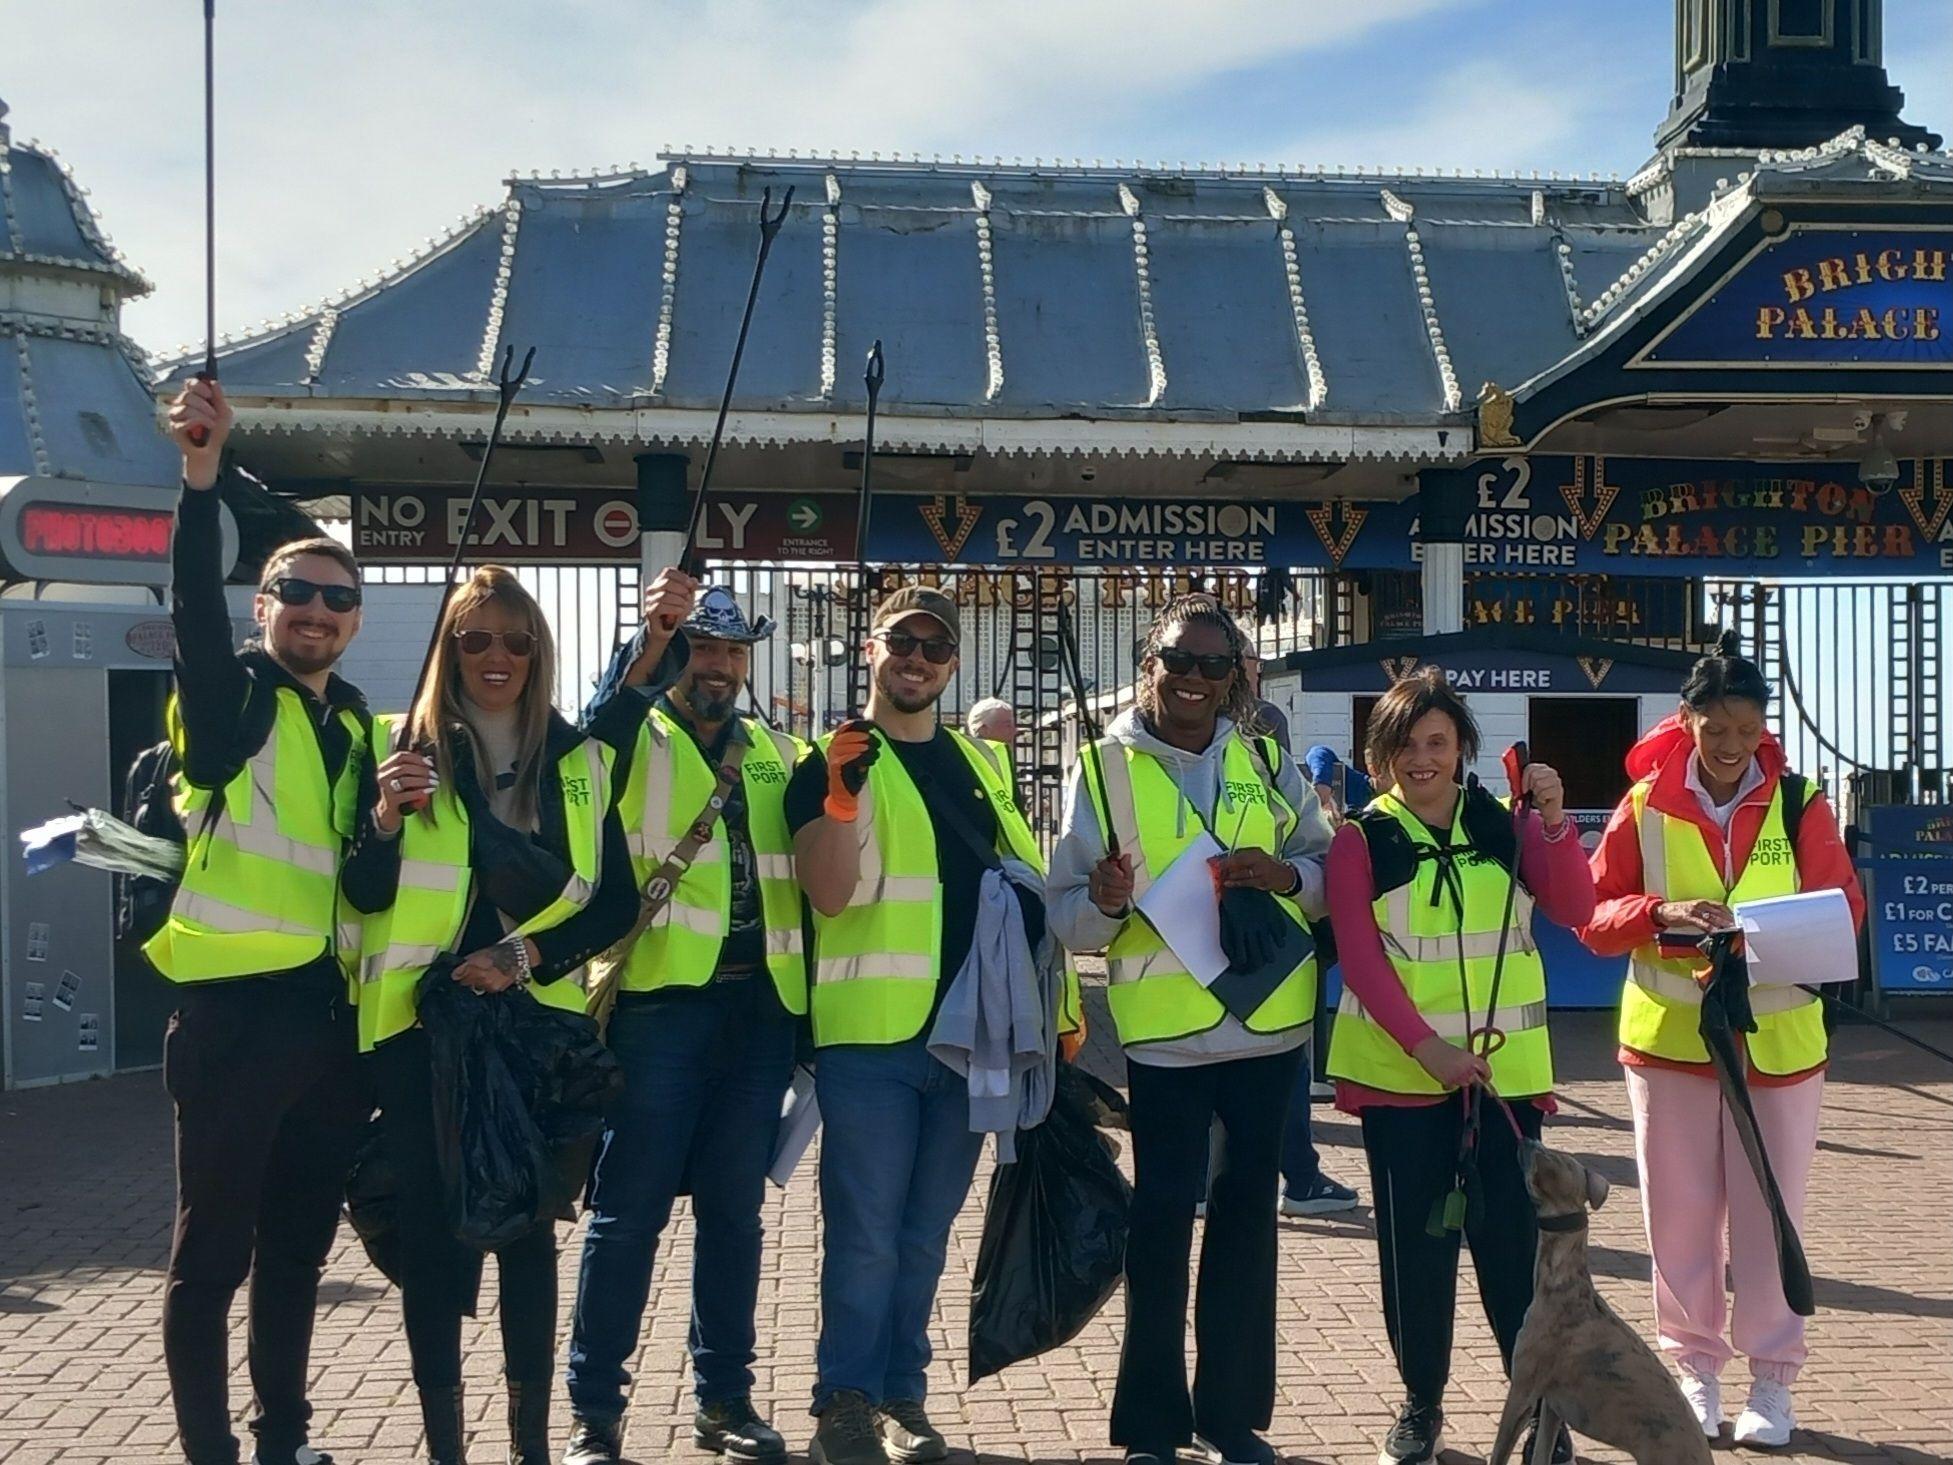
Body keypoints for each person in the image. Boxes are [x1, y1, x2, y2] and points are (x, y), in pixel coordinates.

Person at [341, 567, 636, 1465]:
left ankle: (531, 1448)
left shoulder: (579, 759)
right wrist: (386, 818)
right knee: (432, 1238)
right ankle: (445, 1449)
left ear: (540, 653)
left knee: (527, 1241)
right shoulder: (400, 746)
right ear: (449, 649)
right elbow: (356, 891)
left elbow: (613, 903)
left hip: (530, 1032)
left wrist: (518, 958)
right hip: (416, 1030)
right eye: (475, 638)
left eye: (516, 639)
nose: (497, 655)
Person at [787, 586, 1076, 1465]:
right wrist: (839, 797)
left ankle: (902, 1395)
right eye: (900, 641)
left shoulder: (980, 766)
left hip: (970, 1039)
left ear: (950, 665)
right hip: (869, 1036)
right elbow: (828, 895)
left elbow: (1028, 892)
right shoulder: (832, 758)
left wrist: (1059, 1017)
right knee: (866, 1230)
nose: (915, 658)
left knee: (922, 1234)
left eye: (933, 647)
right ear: (870, 649)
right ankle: (844, 1398)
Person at [1049, 594, 1333, 1465]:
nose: (1195, 679)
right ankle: (1151, 1426)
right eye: (1179, 659)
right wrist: (1098, 904)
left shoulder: (1266, 758)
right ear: (1151, 664)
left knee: (1247, 1225)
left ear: (1237, 675)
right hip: (1165, 1039)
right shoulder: (1101, 768)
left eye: (1215, 664)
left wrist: (1283, 876)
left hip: (1267, 1032)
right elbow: (1066, 916)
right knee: (1161, 1224)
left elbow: (1326, 870)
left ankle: (1232, 1416)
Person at [153, 379, 375, 1465]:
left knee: (295, 1251)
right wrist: (203, 484)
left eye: (339, 599)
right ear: (262, 602)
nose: (318, 612)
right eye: (298, 591)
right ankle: (213, 1458)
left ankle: (282, 1439)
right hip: (233, 1020)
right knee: (212, 1261)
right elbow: (191, 610)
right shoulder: (229, 697)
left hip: (326, 1022)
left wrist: (385, 822)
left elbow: (361, 881)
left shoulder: (354, 722)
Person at [1577, 633, 1863, 1449]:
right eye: (1714, 730)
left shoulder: (1802, 802)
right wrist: (1660, 914)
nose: (1730, 747)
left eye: (1745, 730)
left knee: (1772, 1217)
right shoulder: (1642, 805)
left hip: (1775, 1046)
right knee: (1678, 1216)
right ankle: (1691, 1367)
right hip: (1669, 1043)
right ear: (1686, 721)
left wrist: (1763, 931)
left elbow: (1845, 906)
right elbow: (1594, 917)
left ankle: (1773, 1382)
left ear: (1763, 728)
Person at [563, 573, 811, 1465]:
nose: (718, 664)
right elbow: (594, 728)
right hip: (661, 1006)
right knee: (627, 1216)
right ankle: (595, 1410)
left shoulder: (780, 749)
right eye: (701, 647)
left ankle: (724, 1399)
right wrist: (642, 642)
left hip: (758, 1010)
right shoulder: (637, 734)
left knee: (734, 1218)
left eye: (732, 649)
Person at [1322, 669, 1593, 1465]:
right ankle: (1420, 1404)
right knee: (1415, 1254)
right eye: (1403, 744)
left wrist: (1551, 822)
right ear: (1380, 755)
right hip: (1402, 1082)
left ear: (1460, 748)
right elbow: (1362, 961)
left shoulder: (1500, 825)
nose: (1420, 758)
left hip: (1504, 1083)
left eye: (1435, 742)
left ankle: (1540, 1409)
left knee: (1513, 1252)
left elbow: (1573, 907)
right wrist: (1426, 1048)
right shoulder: (1359, 839)